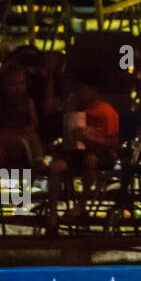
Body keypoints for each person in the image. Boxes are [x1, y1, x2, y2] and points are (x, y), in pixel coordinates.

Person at [47, 69, 121, 223]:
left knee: (90, 159)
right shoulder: (78, 111)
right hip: (78, 153)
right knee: (55, 166)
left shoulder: (106, 112)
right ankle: (52, 212)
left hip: (101, 153)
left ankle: (82, 204)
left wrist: (92, 138)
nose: (78, 93)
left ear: (93, 89)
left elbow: (113, 142)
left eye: (81, 88)